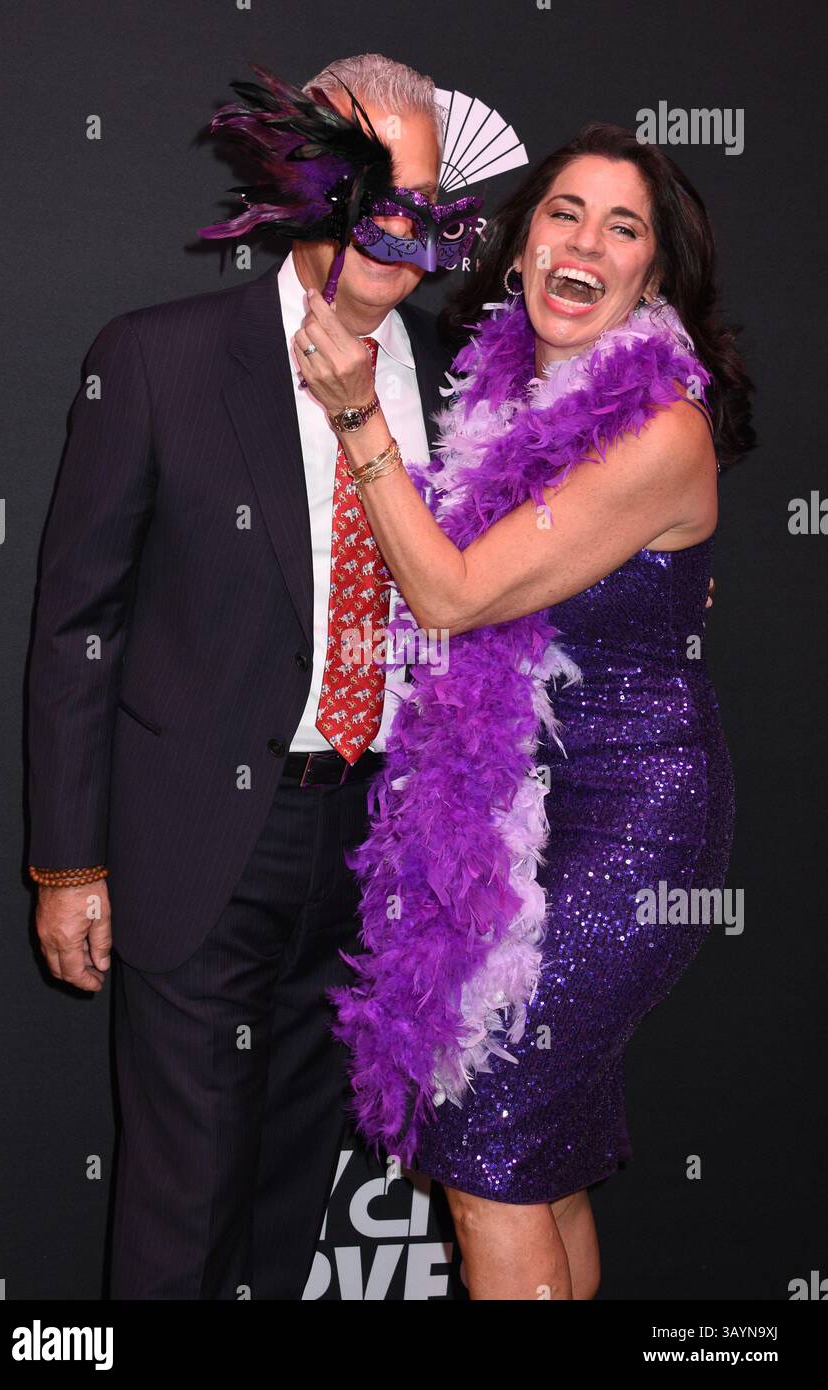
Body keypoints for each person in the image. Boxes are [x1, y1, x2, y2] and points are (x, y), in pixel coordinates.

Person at [295, 122, 754, 1300]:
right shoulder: (502, 396)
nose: (584, 242)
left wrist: (358, 419)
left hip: (629, 822)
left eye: (622, 227)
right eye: (564, 212)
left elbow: (448, 593)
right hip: (525, 809)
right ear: (518, 246)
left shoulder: (661, 430)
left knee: (490, 1140)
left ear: (651, 276)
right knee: (540, 1161)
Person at [25, 53, 456, 1300]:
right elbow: (76, 625)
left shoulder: (450, 370)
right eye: (369, 187)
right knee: (181, 1203)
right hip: (206, 839)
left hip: (381, 848)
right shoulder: (158, 359)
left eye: (425, 200)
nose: (400, 228)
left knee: (288, 1193)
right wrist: (69, 863)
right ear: (297, 179)